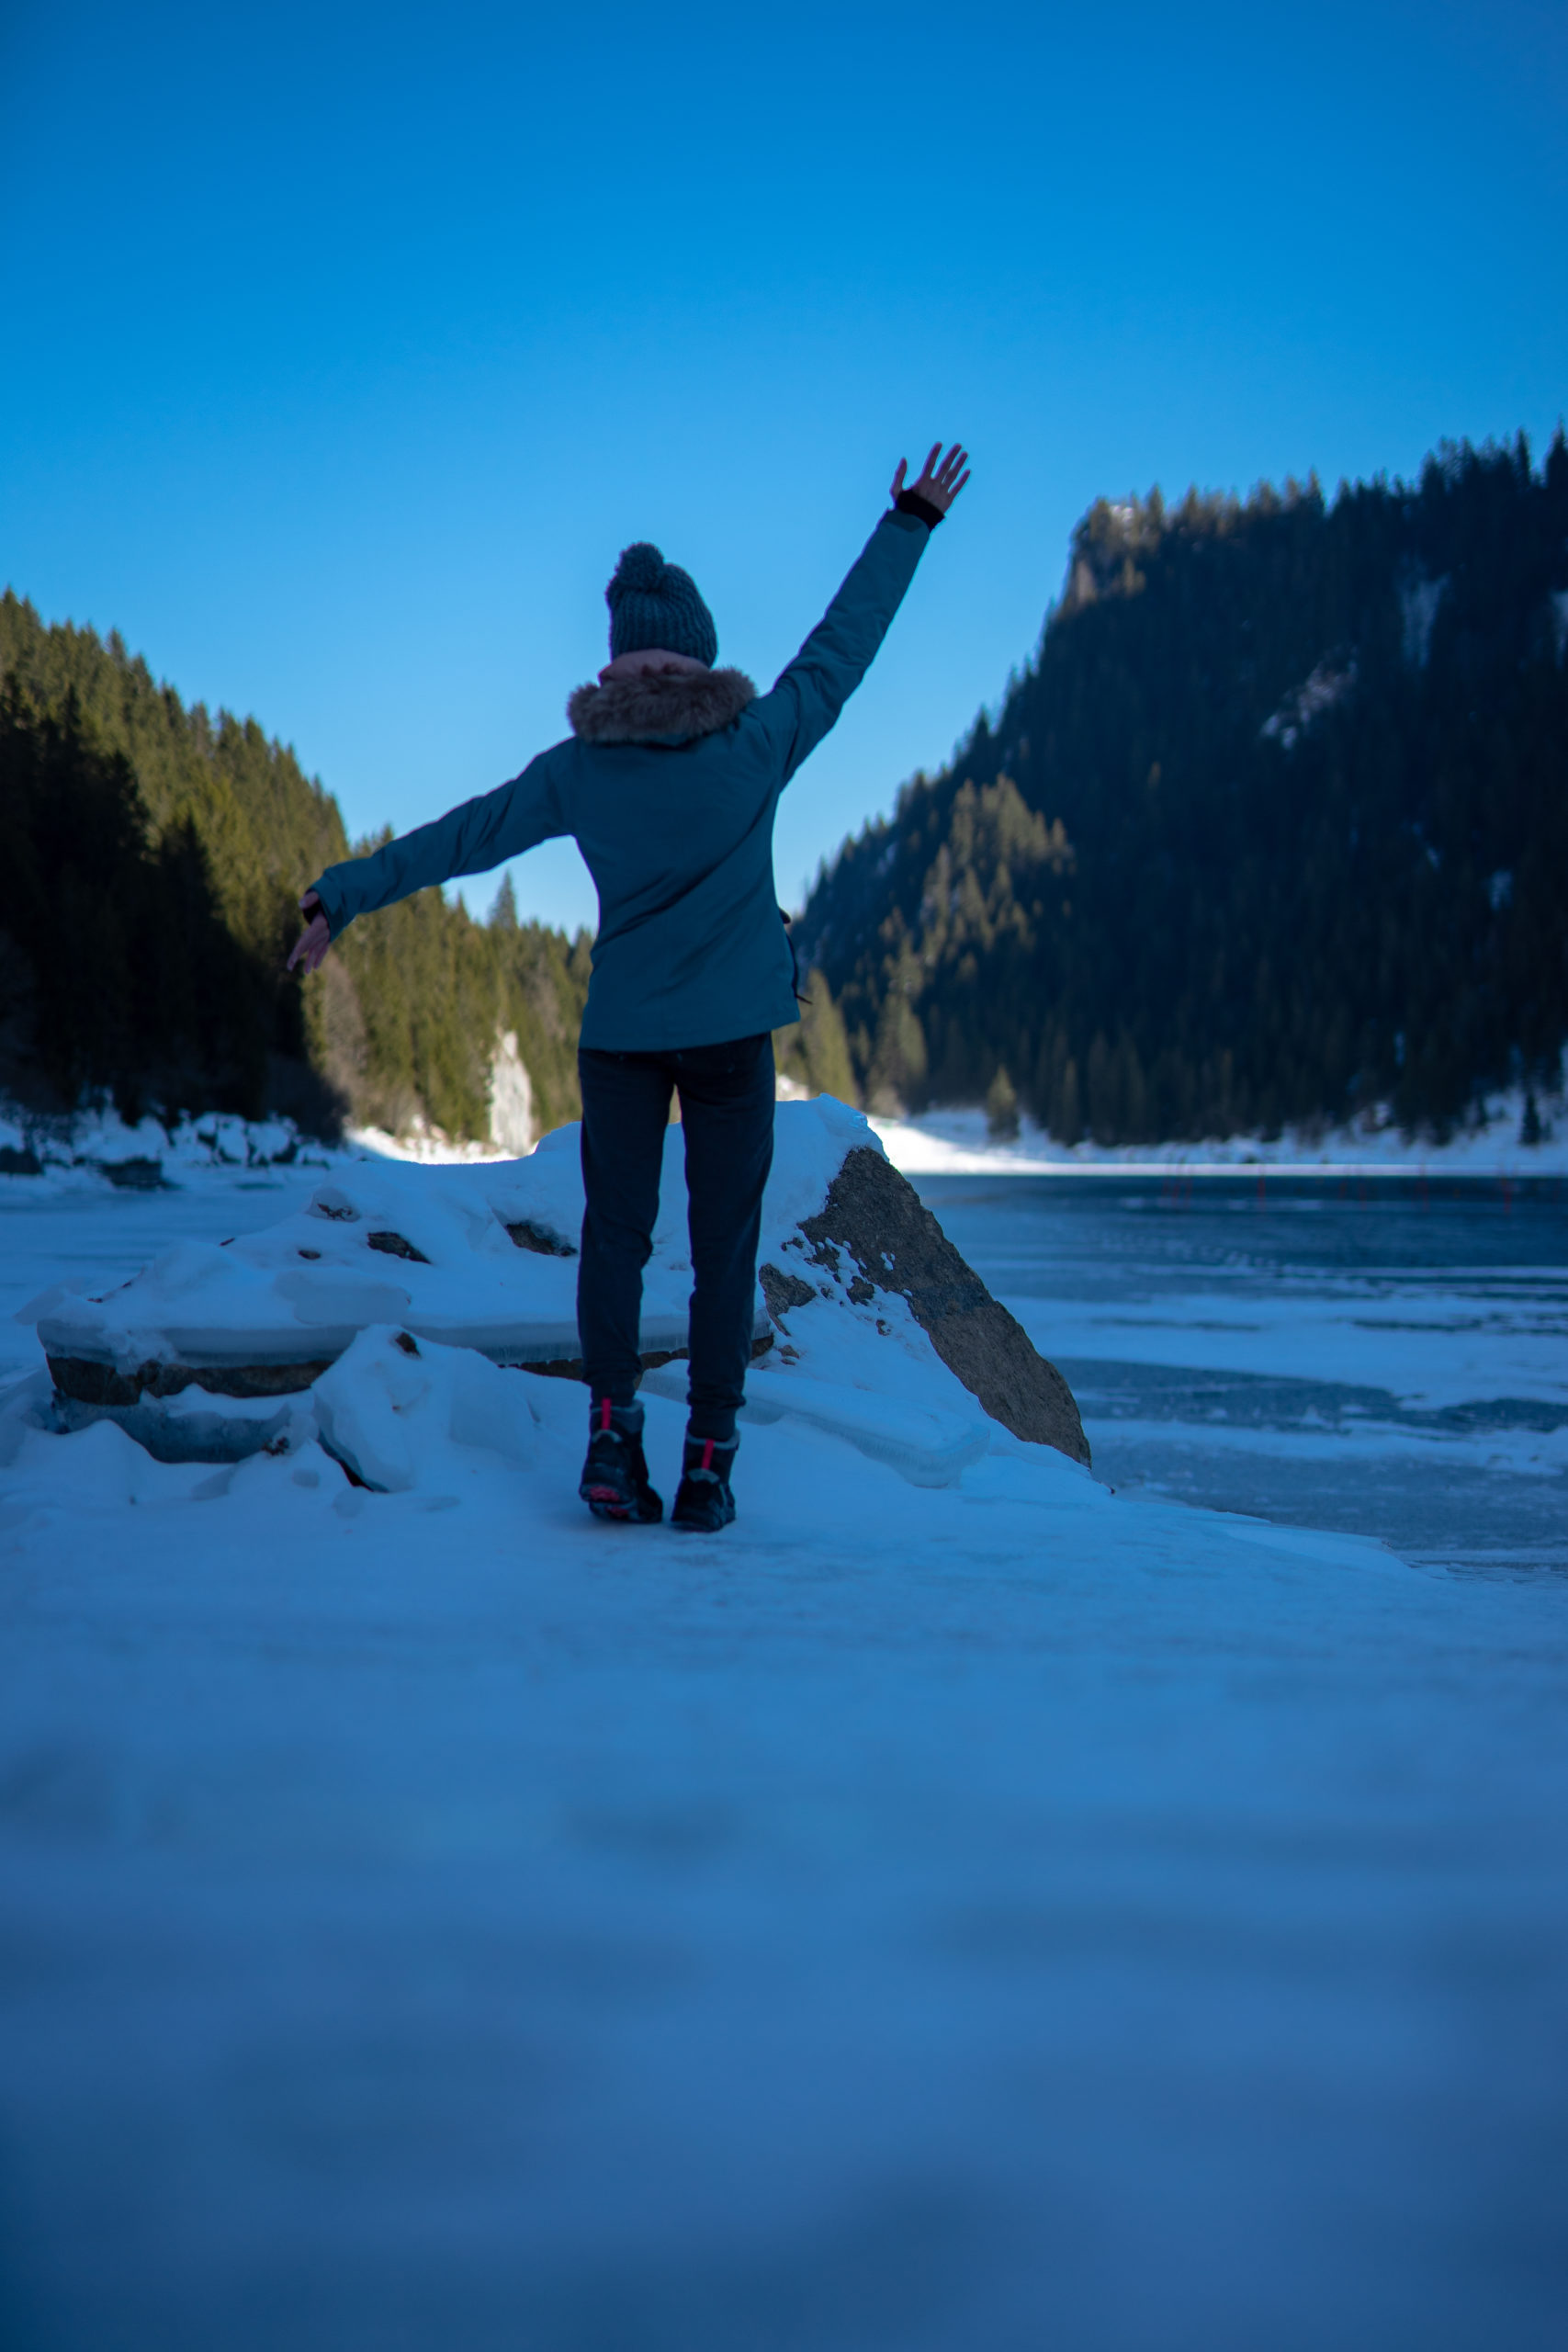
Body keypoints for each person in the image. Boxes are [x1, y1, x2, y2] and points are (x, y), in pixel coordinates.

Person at [288, 440, 971, 1531]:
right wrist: (910, 525)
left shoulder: (580, 770)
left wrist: (346, 895)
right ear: (696, 661)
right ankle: (708, 1459)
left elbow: (462, 837)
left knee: (616, 1238)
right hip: (734, 1037)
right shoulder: (758, 739)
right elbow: (844, 648)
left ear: (615, 666)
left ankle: (612, 1441)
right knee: (722, 1252)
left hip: (621, 1042)